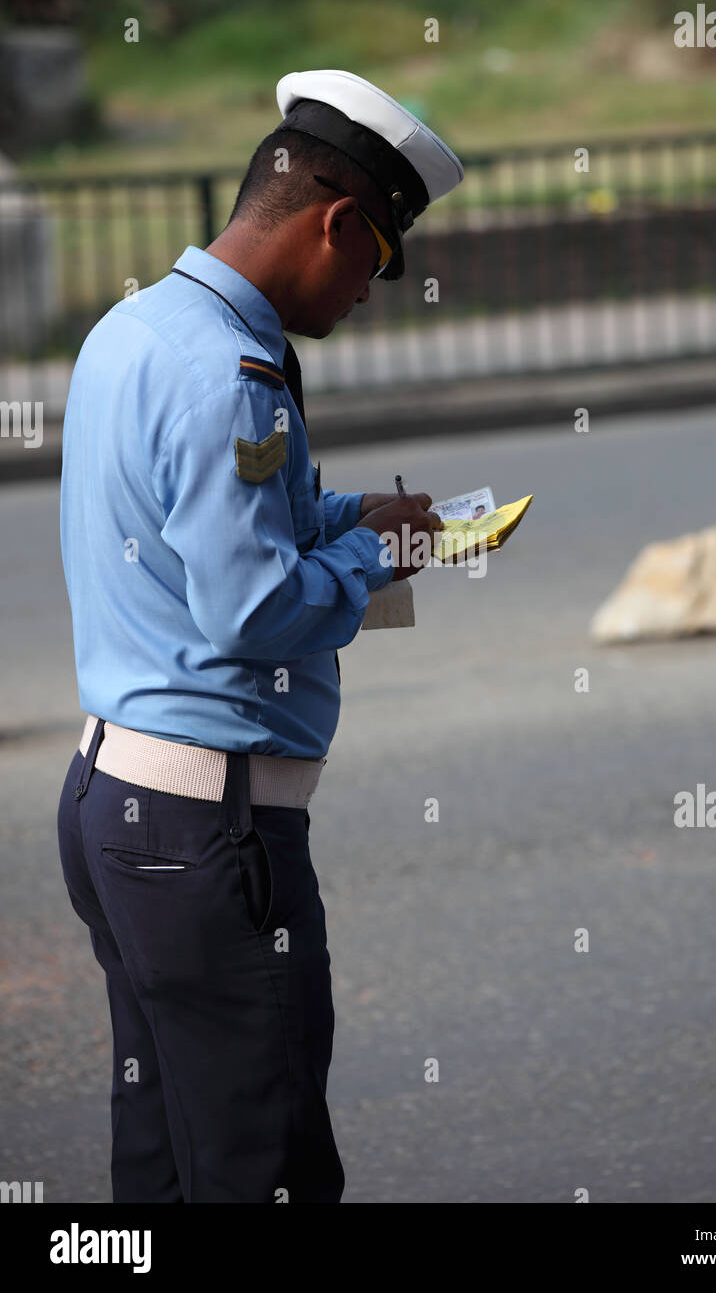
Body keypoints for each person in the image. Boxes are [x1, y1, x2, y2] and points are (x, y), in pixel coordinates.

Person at [56, 69, 464, 1203]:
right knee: (265, 1167)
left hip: (116, 810)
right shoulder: (229, 376)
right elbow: (252, 611)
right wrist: (380, 558)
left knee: (170, 1161)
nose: (370, 295)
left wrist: (348, 518)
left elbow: (212, 531)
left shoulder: (139, 328)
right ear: (335, 223)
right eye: (376, 262)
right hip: (208, 834)